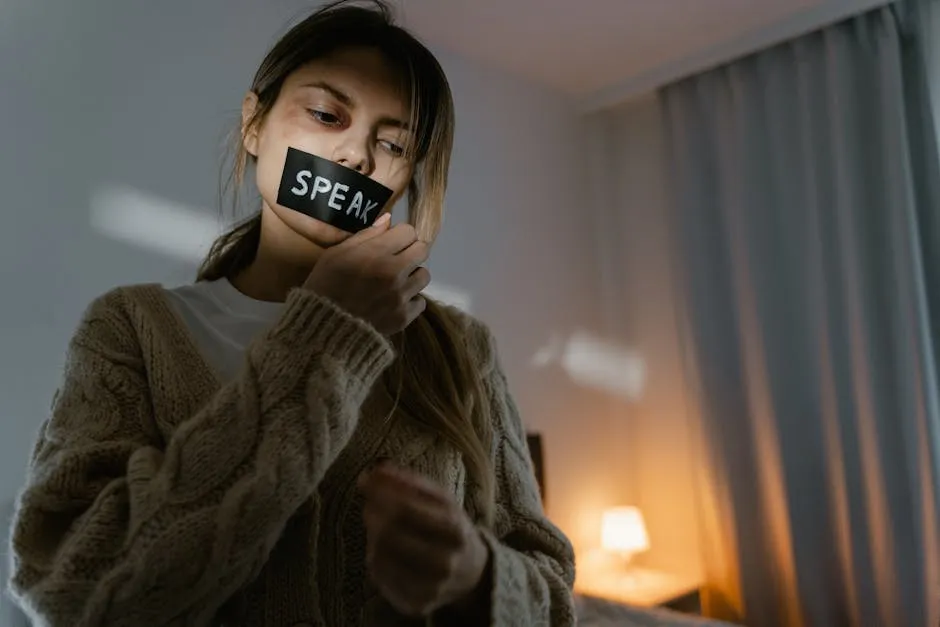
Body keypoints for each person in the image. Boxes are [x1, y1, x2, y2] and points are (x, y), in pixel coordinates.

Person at [5, 1, 577, 625]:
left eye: (392, 144)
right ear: (255, 124)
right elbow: (67, 591)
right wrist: (328, 333)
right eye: (327, 114)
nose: (356, 155)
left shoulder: (462, 348)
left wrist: (479, 579)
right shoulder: (130, 330)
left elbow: (552, 595)